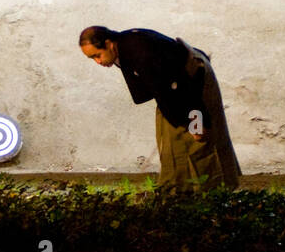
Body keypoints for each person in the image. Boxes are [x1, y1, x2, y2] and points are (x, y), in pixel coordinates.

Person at [79, 25, 241, 192]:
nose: (98, 62)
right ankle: (180, 192)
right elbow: (163, 90)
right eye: (92, 59)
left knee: (198, 141)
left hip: (193, 82)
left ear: (109, 44)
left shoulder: (140, 52)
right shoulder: (123, 48)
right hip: (174, 90)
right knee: (171, 140)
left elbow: (186, 86)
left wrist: (197, 123)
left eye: (98, 55)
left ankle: (214, 192)